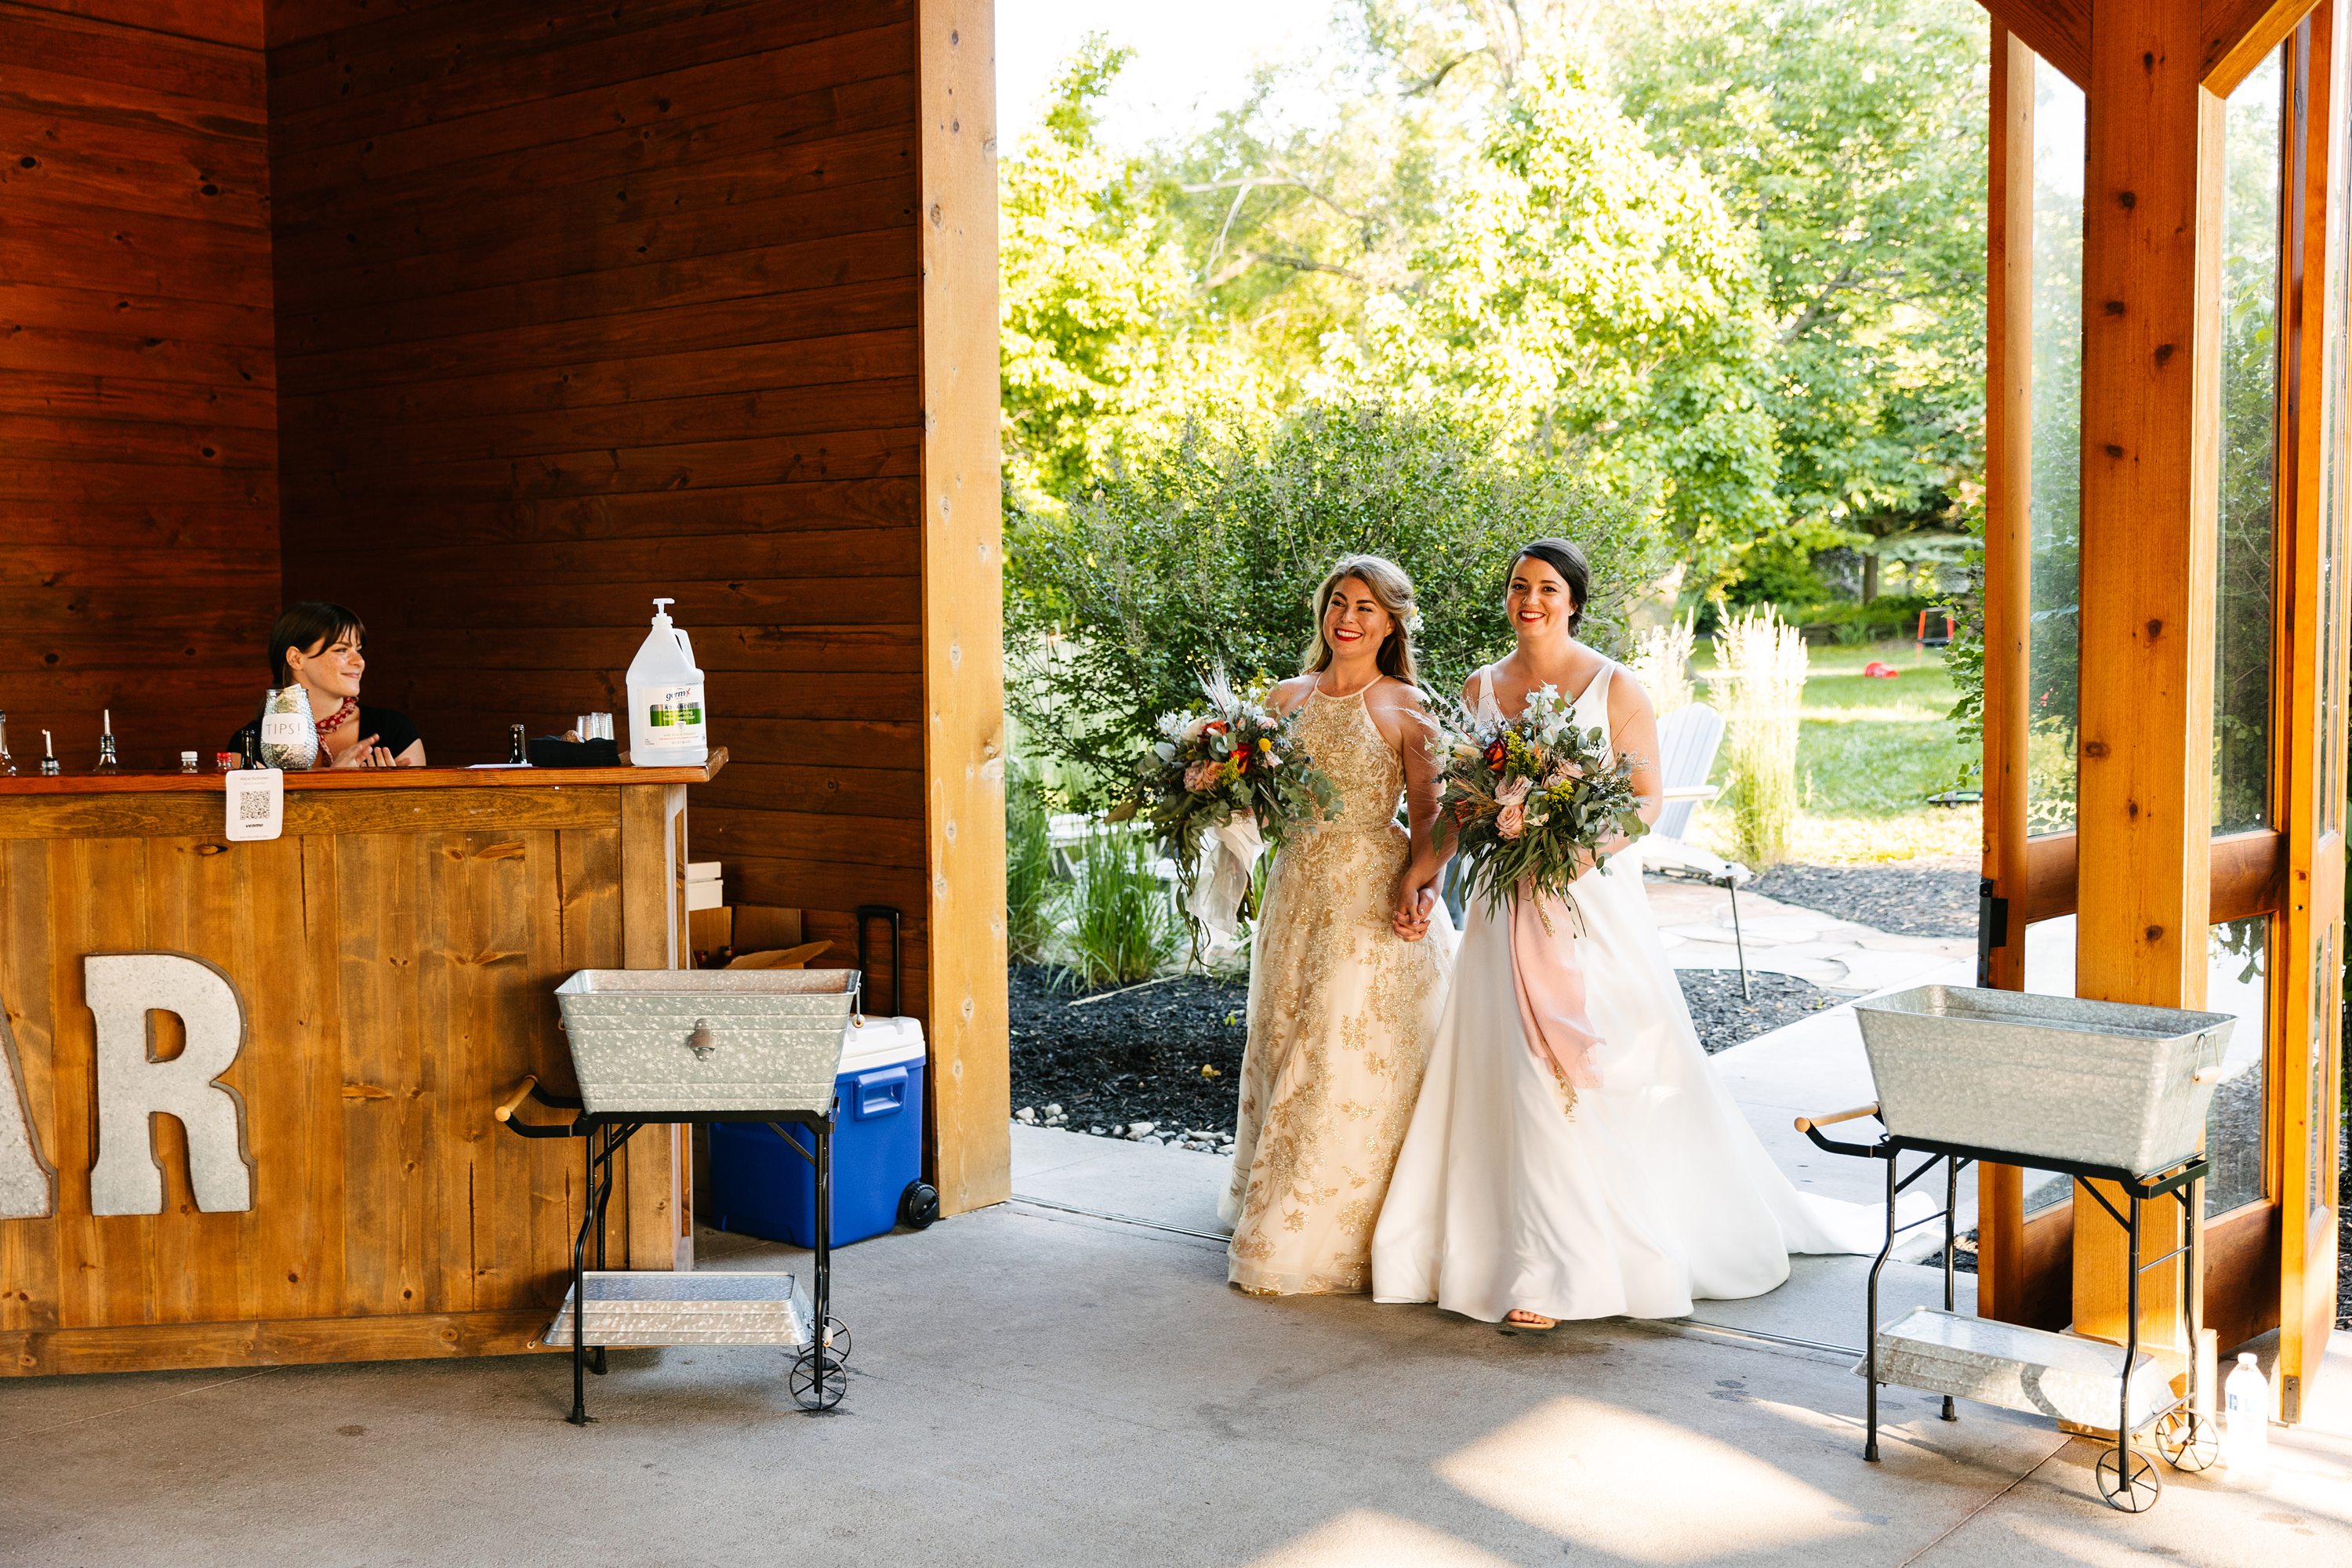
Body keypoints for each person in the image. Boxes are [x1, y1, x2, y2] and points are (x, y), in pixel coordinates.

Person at [1370, 539, 1880, 1327]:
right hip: (1504, 905)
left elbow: (1645, 801)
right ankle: (1518, 1256)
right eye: (1518, 586)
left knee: (1588, 1060)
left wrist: (1573, 852)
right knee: (1513, 1062)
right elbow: (1466, 802)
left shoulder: (1615, 685)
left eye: (1547, 588)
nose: (1530, 600)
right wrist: (1422, 872)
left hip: (1588, 901)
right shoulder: (1481, 686)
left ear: (1573, 600)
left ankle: (1565, 1268)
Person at [1221, 555, 1457, 1296]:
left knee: (1340, 1046)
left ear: (1391, 624)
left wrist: (1423, 887)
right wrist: (1216, 795)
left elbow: (1434, 818)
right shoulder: (1285, 698)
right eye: (1337, 603)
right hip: (1296, 886)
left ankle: (1332, 1228)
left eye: (1365, 608)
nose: (1347, 619)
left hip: (1368, 892)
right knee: (1283, 1031)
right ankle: (1271, 1194)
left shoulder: (1407, 706)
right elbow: (1262, 803)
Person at [257, 603, 425, 768]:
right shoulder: (251, 744)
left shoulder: (394, 731)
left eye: (358, 650)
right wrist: (337, 780)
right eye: (341, 650)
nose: (360, 662)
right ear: (296, 659)